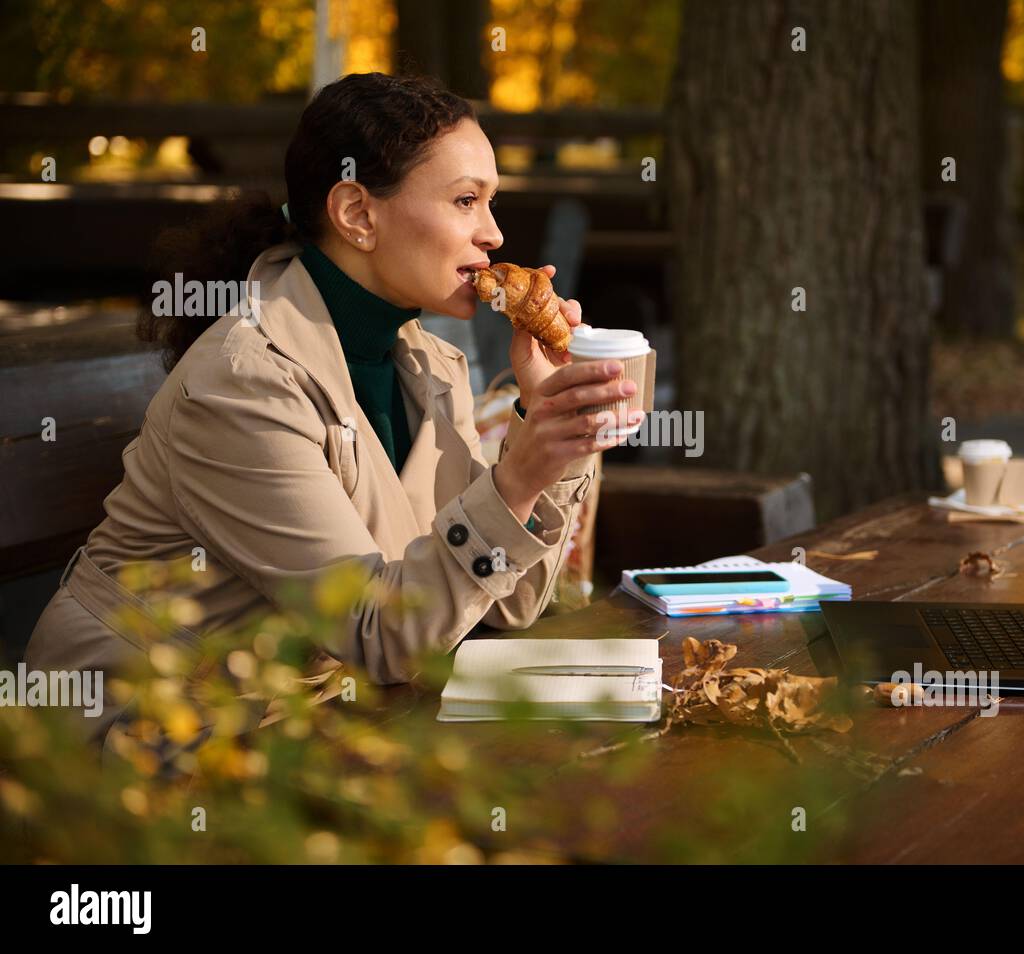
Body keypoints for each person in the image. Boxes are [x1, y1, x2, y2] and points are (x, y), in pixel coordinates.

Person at [23, 72, 640, 748]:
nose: (492, 234)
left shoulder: (427, 364)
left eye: (490, 203)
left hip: (306, 717)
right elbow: (381, 634)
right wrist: (517, 477)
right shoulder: (241, 385)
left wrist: (554, 425)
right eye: (466, 200)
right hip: (147, 738)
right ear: (356, 213)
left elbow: (511, 606)